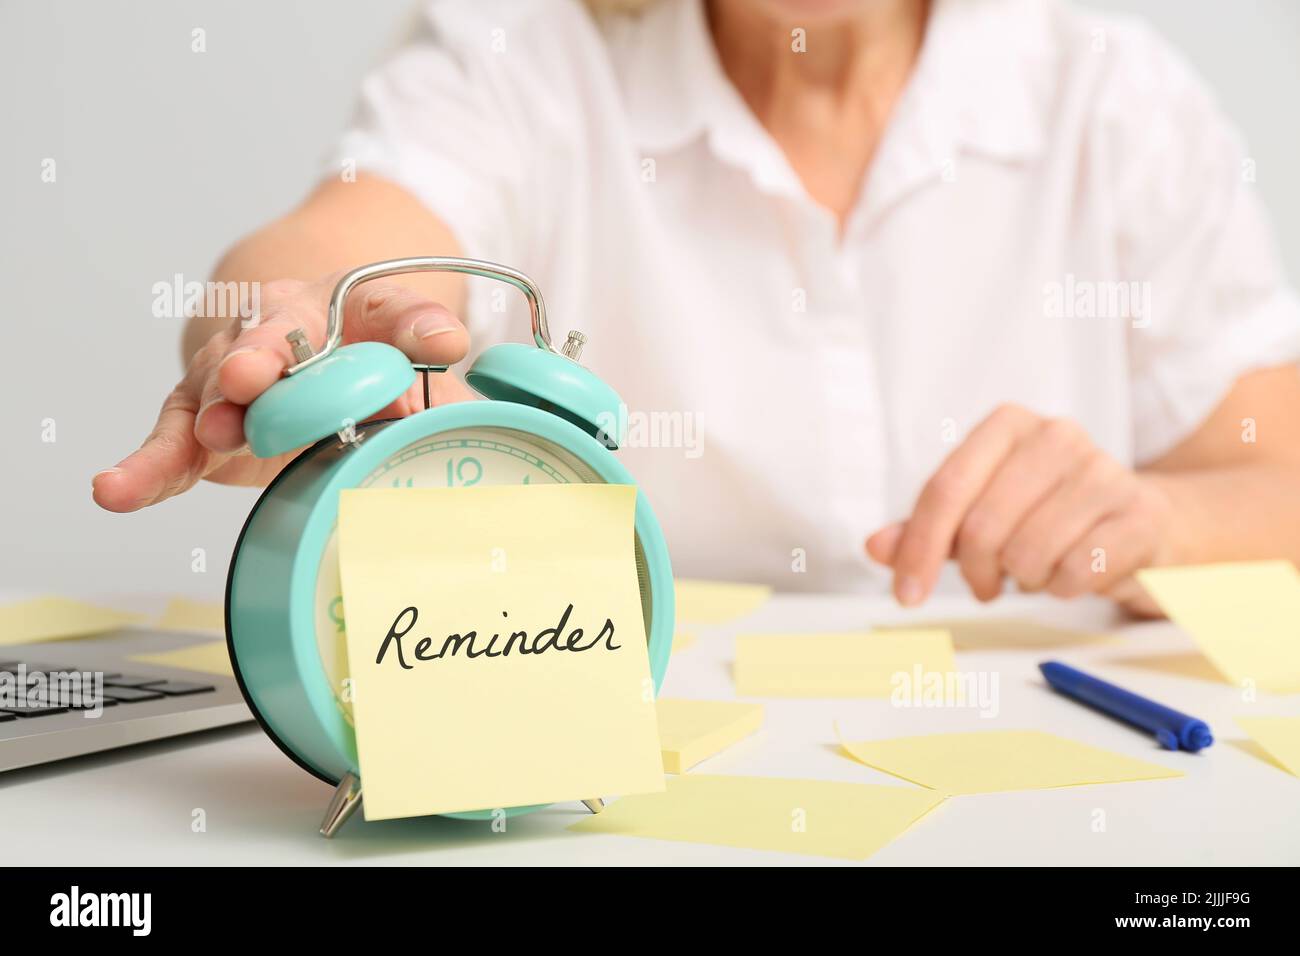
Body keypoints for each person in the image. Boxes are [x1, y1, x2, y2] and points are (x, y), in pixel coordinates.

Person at [92, 0, 1300, 614]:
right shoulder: (527, 57)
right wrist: (286, 322)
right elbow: (342, 238)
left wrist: (1155, 523)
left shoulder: (1113, 97)